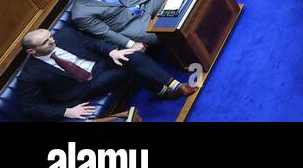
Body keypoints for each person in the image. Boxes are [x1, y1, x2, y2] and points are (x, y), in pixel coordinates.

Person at [17, 26, 194, 119]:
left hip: (98, 64)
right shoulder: (30, 75)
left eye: (50, 36)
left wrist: (112, 52)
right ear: (32, 51)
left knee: (129, 56)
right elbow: (31, 107)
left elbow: (93, 43)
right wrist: (66, 112)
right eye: (46, 42)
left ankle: (174, 85)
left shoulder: (64, 35)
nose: (52, 41)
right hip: (84, 86)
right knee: (128, 71)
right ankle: (164, 91)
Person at [67, 0, 177, 51]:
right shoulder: (80, 14)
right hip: (131, 25)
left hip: (143, 3)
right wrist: (131, 44)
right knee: (170, 32)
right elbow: (105, 33)